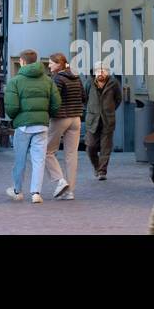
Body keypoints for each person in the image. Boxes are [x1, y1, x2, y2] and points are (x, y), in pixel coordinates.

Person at [3, 49, 61, 203]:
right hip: (42, 125)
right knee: (39, 160)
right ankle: (36, 193)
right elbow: (56, 104)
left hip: (23, 126)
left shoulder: (15, 81)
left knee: (20, 160)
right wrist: (46, 115)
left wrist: (15, 118)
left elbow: (11, 107)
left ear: (22, 61)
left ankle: (17, 190)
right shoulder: (48, 80)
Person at [45, 52, 84, 200]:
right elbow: (84, 97)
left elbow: (55, 101)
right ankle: (70, 191)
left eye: (51, 63)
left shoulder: (57, 79)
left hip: (61, 118)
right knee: (71, 155)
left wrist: (50, 113)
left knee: (47, 151)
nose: (49, 65)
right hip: (76, 119)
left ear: (59, 64)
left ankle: (60, 181)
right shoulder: (76, 77)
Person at [85, 65, 122, 180]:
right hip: (93, 119)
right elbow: (85, 98)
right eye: (98, 71)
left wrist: (109, 109)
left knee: (106, 147)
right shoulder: (89, 83)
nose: (100, 73)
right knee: (90, 146)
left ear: (107, 72)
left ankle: (102, 171)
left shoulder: (114, 83)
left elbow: (118, 99)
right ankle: (97, 166)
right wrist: (92, 109)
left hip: (107, 119)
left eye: (103, 71)